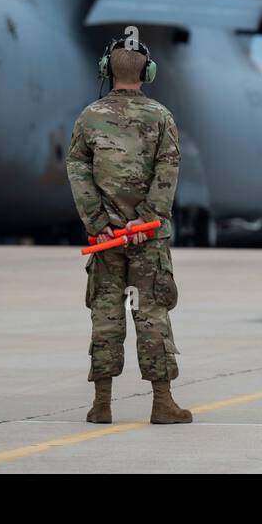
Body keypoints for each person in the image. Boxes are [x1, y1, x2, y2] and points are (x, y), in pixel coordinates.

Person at [66, 36, 192, 425]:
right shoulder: (161, 117)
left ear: (107, 70)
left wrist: (99, 224)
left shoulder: (89, 117)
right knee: (151, 313)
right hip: (148, 238)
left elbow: (78, 170)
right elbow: (167, 170)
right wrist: (147, 217)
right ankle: (162, 403)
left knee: (106, 314)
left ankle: (101, 403)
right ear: (146, 73)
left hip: (106, 242)